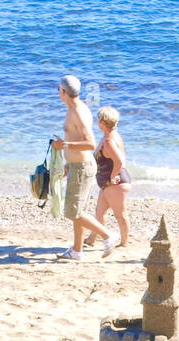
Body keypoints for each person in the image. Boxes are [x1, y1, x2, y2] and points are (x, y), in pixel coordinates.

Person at [52, 75, 113, 260]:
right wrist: (68, 163)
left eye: (58, 91)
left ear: (63, 92)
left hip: (82, 167)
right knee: (79, 211)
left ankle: (108, 235)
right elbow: (78, 138)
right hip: (77, 165)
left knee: (72, 212)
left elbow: (90, 143)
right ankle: (77, 251)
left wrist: (65, 146)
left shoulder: (77, 112)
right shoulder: (74, 109)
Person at [84, 106, 132, 249]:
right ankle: (92, 239)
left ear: (101, 123)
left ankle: (124, 243)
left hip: (115, 183)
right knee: (99, 212)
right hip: (108, 183)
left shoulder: (109, 141)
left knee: (120, 214)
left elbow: (119, 161)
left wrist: (112, 177)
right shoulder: (109, 137)